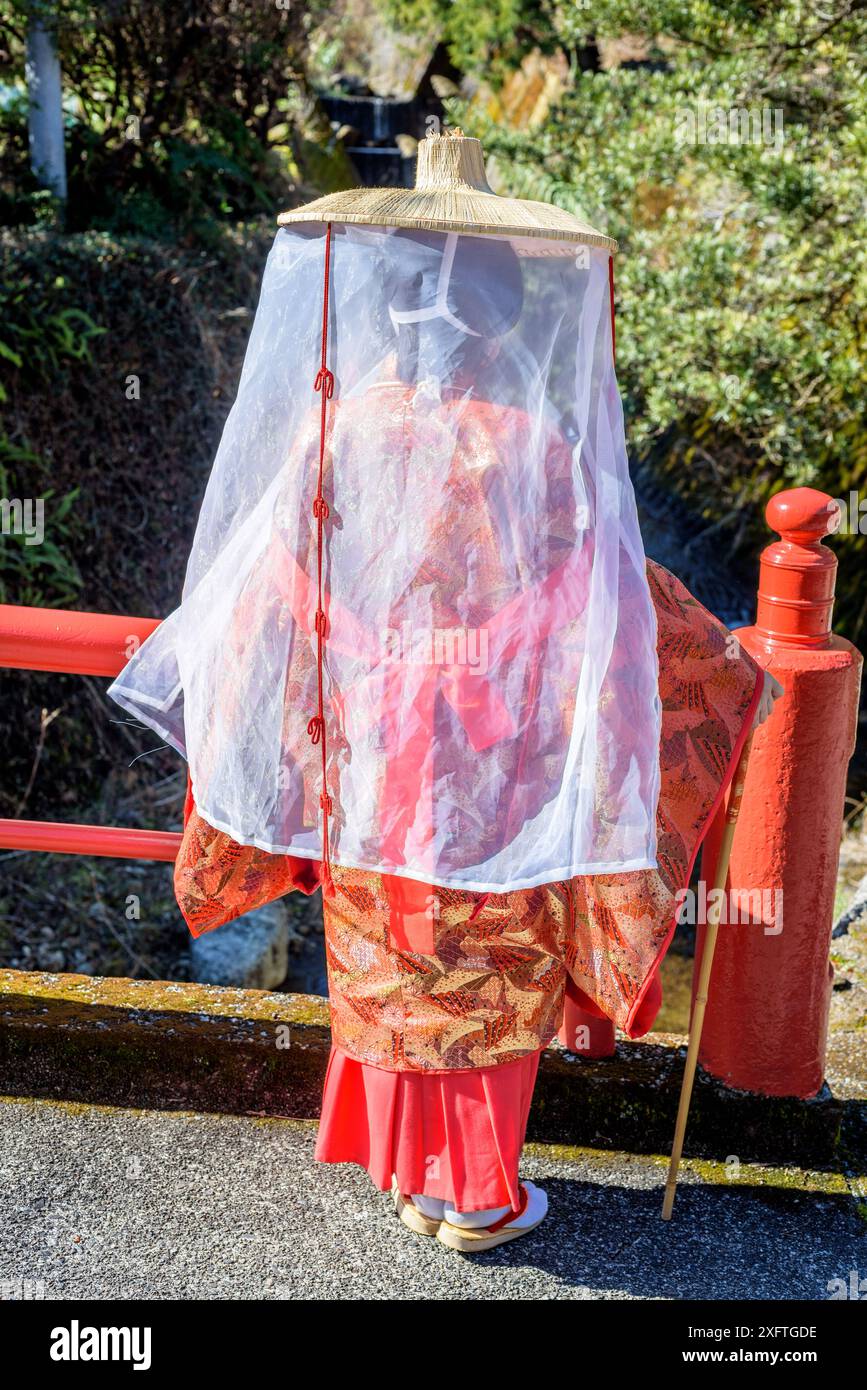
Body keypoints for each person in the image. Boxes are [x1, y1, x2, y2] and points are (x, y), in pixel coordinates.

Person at [109, 131, 783, 1253]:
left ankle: (404, 1165)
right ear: (507, 312)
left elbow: (279, 576)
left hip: (371, 746)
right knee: (489, 954)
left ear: (397, 305)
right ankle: (473, 1193)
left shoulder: (346, 423)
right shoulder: (532, 448)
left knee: (392, 946)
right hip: (494, 762)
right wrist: (717, 659)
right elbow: (603, 596)